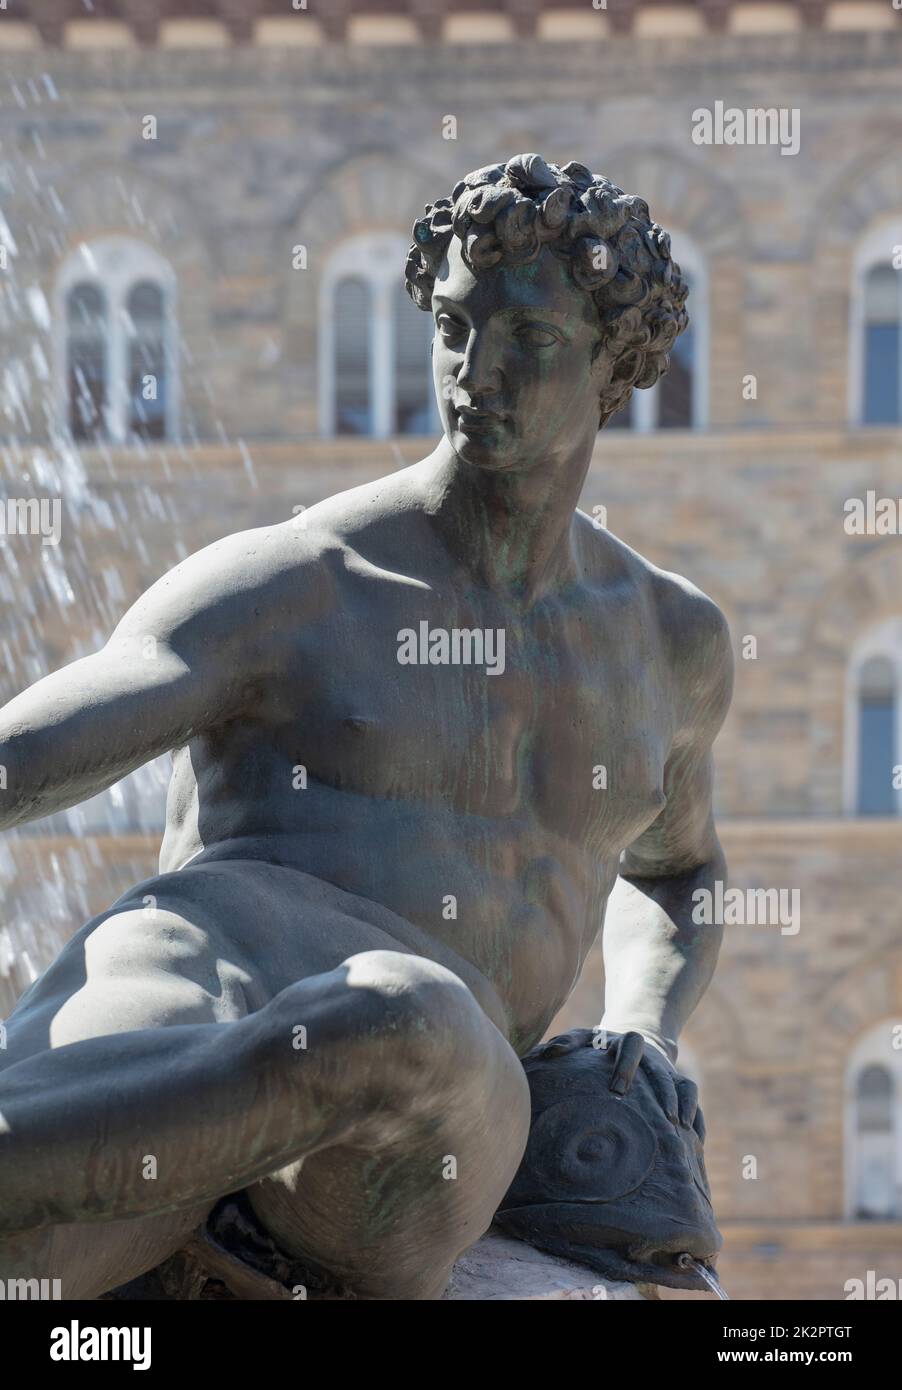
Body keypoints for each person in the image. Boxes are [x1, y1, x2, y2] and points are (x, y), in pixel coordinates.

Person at [0, 154, 732, 1299]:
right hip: (201, 969)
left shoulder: (668, 644)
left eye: (527, 342)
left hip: (427, 1088)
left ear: (615, 365)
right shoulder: (302, 579)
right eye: (452, 327)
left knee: (392, 1017)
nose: (472, 374)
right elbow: (30, 753)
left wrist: (638, 1026)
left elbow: (682, 871)